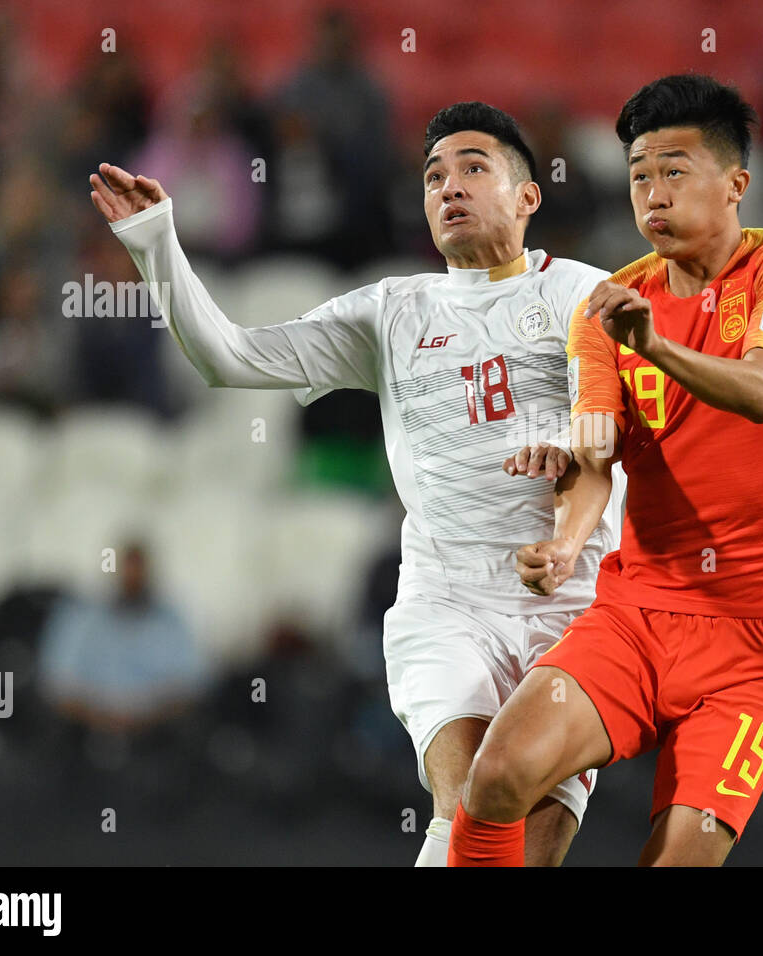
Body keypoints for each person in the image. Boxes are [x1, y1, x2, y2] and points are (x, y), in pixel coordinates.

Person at [89, 102, 621, 866]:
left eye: (473, 168)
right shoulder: (392, 310)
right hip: (448, 603)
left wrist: (571, 468)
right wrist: (155, 242)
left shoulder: (584, 296)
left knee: (525, 851)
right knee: (468, 804)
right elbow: (228, 357)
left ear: (527, 196)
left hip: (572, 609)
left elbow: (627, 436)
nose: (449, 187)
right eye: (433, 176)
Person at [450, 75, 763, 866]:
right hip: (641, 609)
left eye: (674, 171)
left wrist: (655, 345)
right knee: (496, 774)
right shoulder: (609, 308)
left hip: (757, 636)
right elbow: (596, 459)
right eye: (639, 175)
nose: (653, 194)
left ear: (735, 185)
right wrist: (567, 545)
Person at [37, 543, 209, 733]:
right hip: (85, 731)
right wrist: (101, 719)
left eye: (138, 572)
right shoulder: (82, 617)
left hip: (157, 732)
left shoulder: (171, 622)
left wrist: (143, 721)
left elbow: (191, 685)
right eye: (127, 570)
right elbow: (58, 683)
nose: (132, 578)